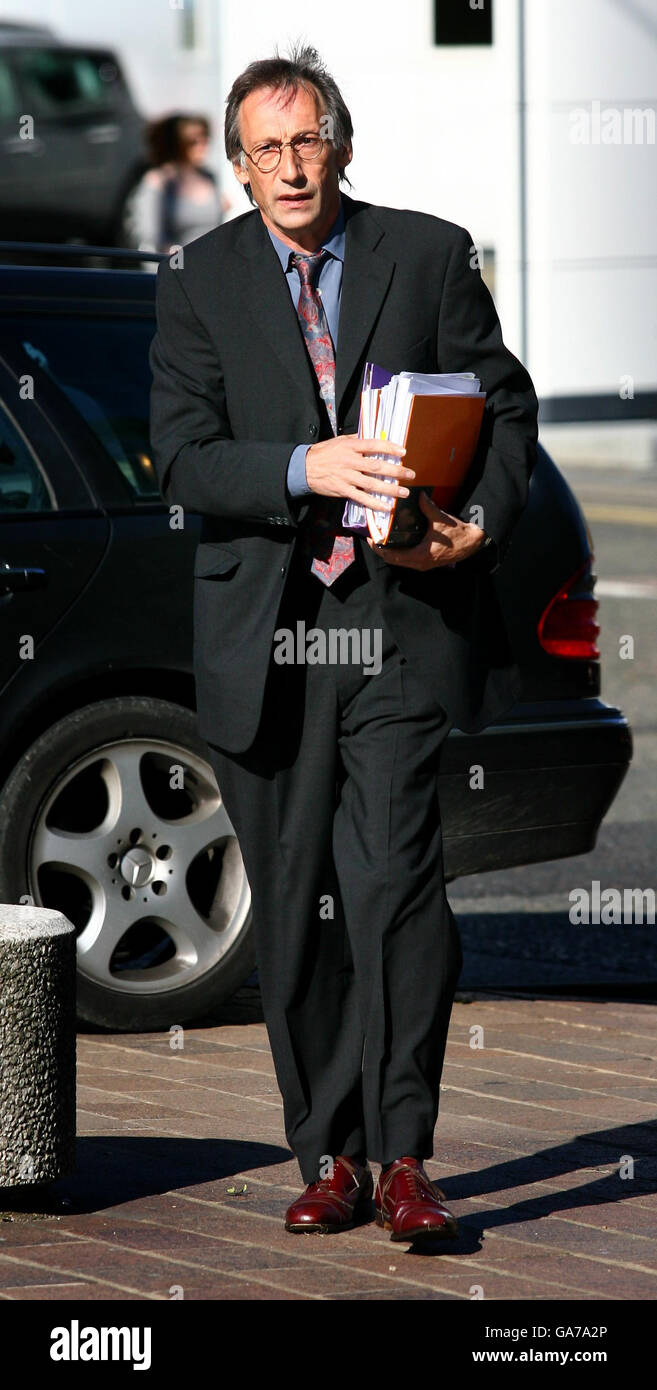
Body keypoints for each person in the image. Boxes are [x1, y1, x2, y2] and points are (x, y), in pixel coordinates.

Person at [149, 43, 539, 1244]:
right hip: (268, 632)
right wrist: (298, 467)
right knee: (298, 903)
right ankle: (331, 1154)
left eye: (308, 138)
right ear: (238, 164)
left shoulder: (423, 252)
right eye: (266, 148)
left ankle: (409, 1156)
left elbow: (507, 407)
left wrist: (473, 527)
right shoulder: (200, 278)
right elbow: (182, 456)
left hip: (395, 620)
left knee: (394, 886)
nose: (291, 166)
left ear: (344, 144)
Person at [124, 112, 230, 266]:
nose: (202, 146)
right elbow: (151, 237)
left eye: (205, 138)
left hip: (212, 265)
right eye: (194, 141)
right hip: (175, 267)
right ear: (179, 144)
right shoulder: (158, 181)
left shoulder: (209, 177)